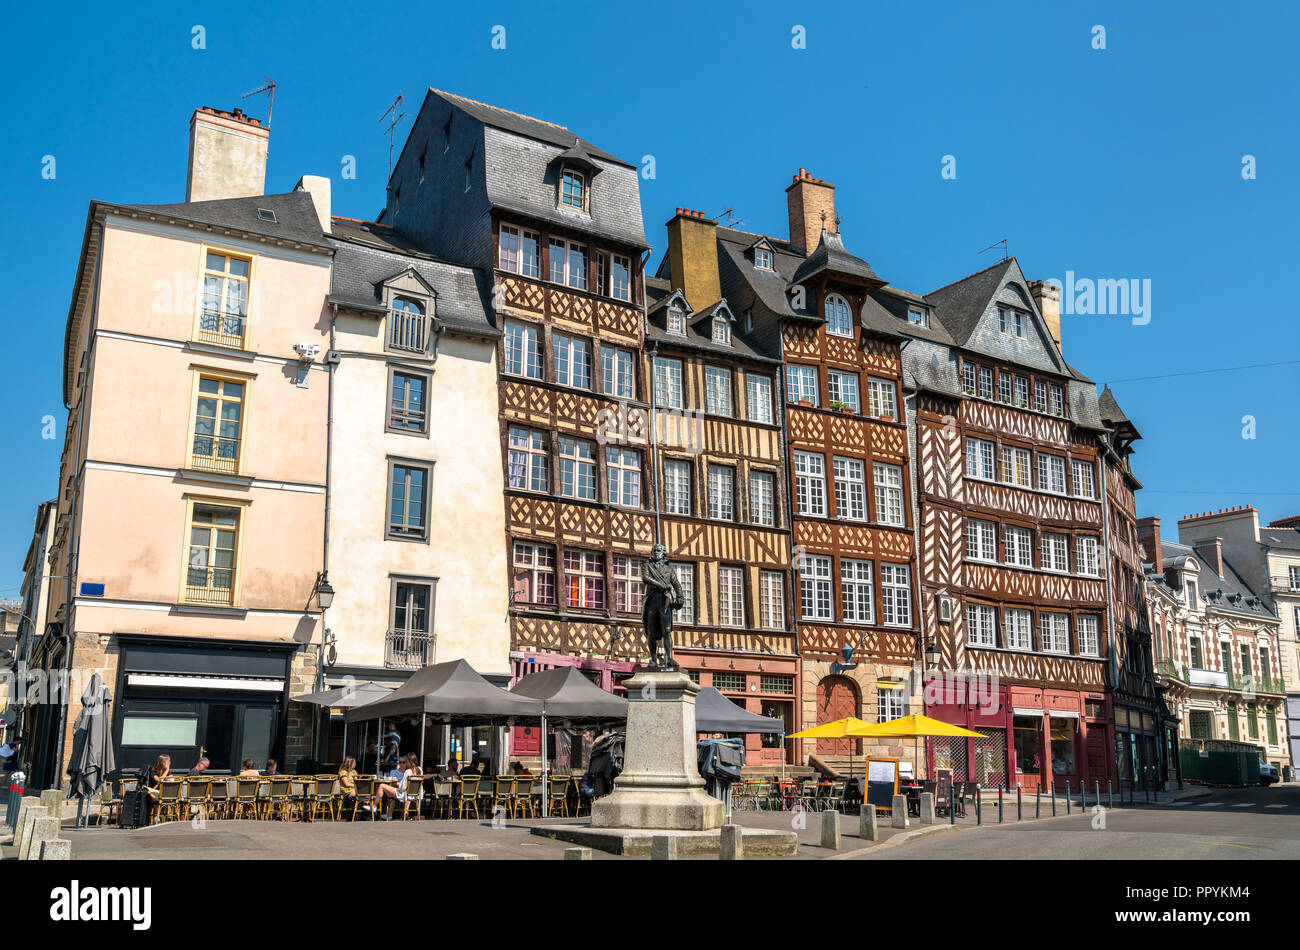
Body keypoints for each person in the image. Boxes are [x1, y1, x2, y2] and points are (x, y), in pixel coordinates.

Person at [370, 753, 421, 819]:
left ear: (408, 762)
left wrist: (398, 784)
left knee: (381, 786)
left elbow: (402, 788)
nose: (402, 764)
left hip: (403, 794)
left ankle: (374, 806)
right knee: (393, 792)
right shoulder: (419, 770)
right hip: (415, 794)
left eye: (404, 762)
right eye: (400, 762)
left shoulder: (408, 771)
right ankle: (396, 815)